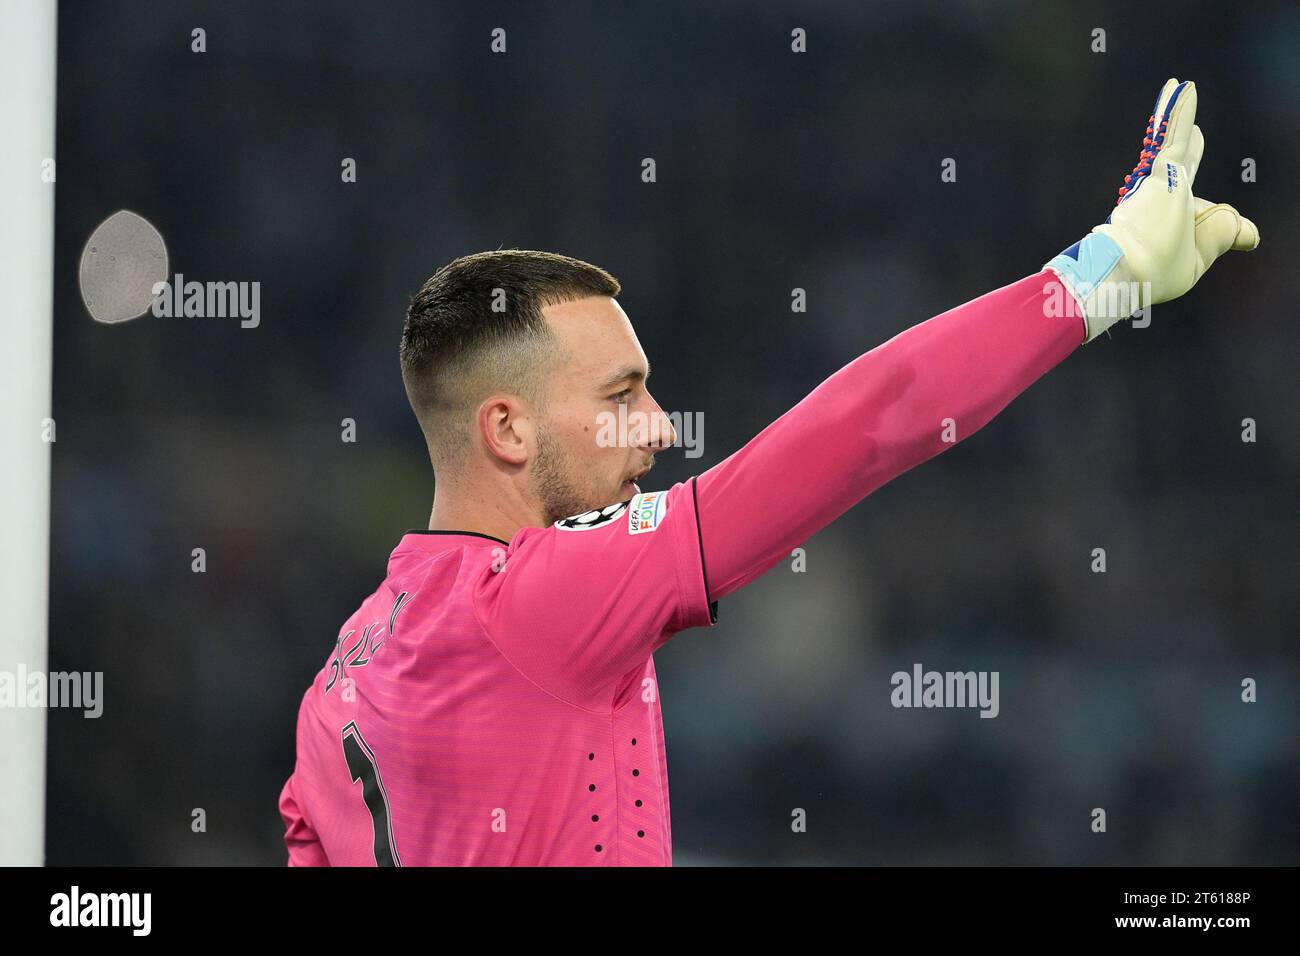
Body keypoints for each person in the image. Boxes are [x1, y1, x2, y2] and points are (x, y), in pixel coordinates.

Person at [278, 78, 1257, 865]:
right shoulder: (536, 600)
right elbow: (866, 424)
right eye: (621, 395)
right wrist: (1101, 277)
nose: (659, 427)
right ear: (507, 429)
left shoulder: (335, 687)